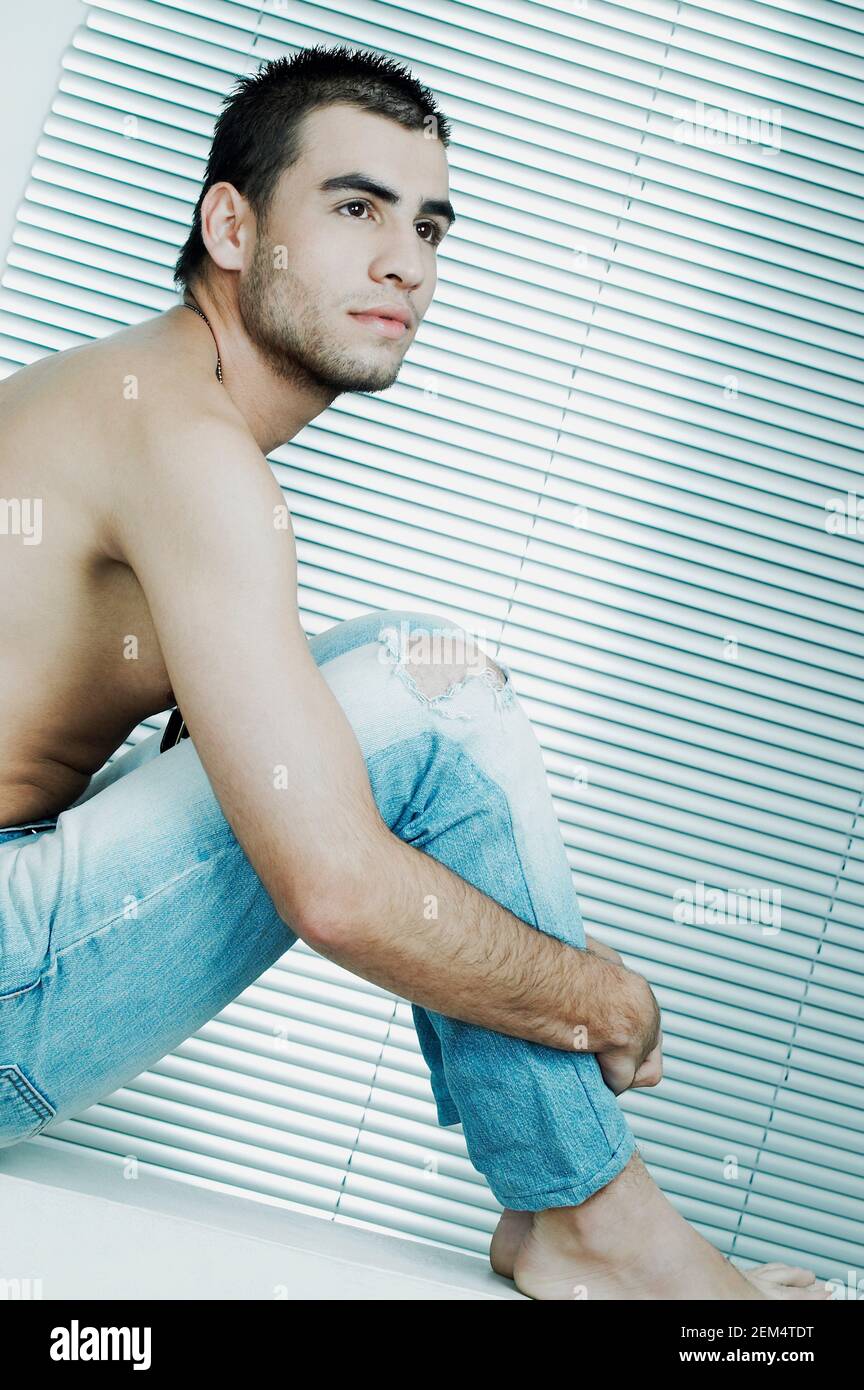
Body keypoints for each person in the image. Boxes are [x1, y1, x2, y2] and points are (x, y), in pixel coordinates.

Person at [0, 44, 829, 1301]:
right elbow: (331, 882)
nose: (408, 263)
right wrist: (592, 995)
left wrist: (534, 958)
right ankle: (593, 1220)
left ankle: (583, 1216)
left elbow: (273, 793)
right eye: (355, 208)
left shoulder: (140, 404)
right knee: (435, 698)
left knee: (401, 685)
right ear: (231, 224)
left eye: (430, 225)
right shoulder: (188, 449)